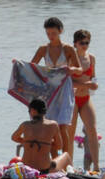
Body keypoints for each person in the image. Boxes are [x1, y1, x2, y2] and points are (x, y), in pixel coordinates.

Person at [29, 17, 79, 154]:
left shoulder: (68, 49)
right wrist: (18, 65)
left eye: (53, 33)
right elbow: (31, 67)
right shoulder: (43, 49)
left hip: (64, 88)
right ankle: (53, 160)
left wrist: (72, 70)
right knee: (51, 124)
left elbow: (79, 68)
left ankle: (66, 158)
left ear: (60, 31)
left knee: (63, 126)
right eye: (48, 34)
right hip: (50, 89)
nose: (51, 36)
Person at [11, 98, 71, 173]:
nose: (29, 112)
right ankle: (70, 172)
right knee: (66, 156)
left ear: (33, 111)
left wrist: (27, 141)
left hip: (26, 168)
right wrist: (47, 142)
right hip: (44, 169)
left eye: (29, 110)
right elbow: (59, 146)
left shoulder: (25, 125)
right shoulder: (53, 125)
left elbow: (14, 138)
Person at [68, 29, 99, 170]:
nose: (85, 45)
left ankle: (96, 166)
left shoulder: (91, 58)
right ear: (75, 43)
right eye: (82, 43)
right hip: (72, 99)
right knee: (70, 132)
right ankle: (69, 165)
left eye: (87, 42)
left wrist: (94, 84)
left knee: (92, 130)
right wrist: (85, 84)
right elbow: (66, 82)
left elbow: (93, 77)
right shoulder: (70, 58)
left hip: (85, 98)